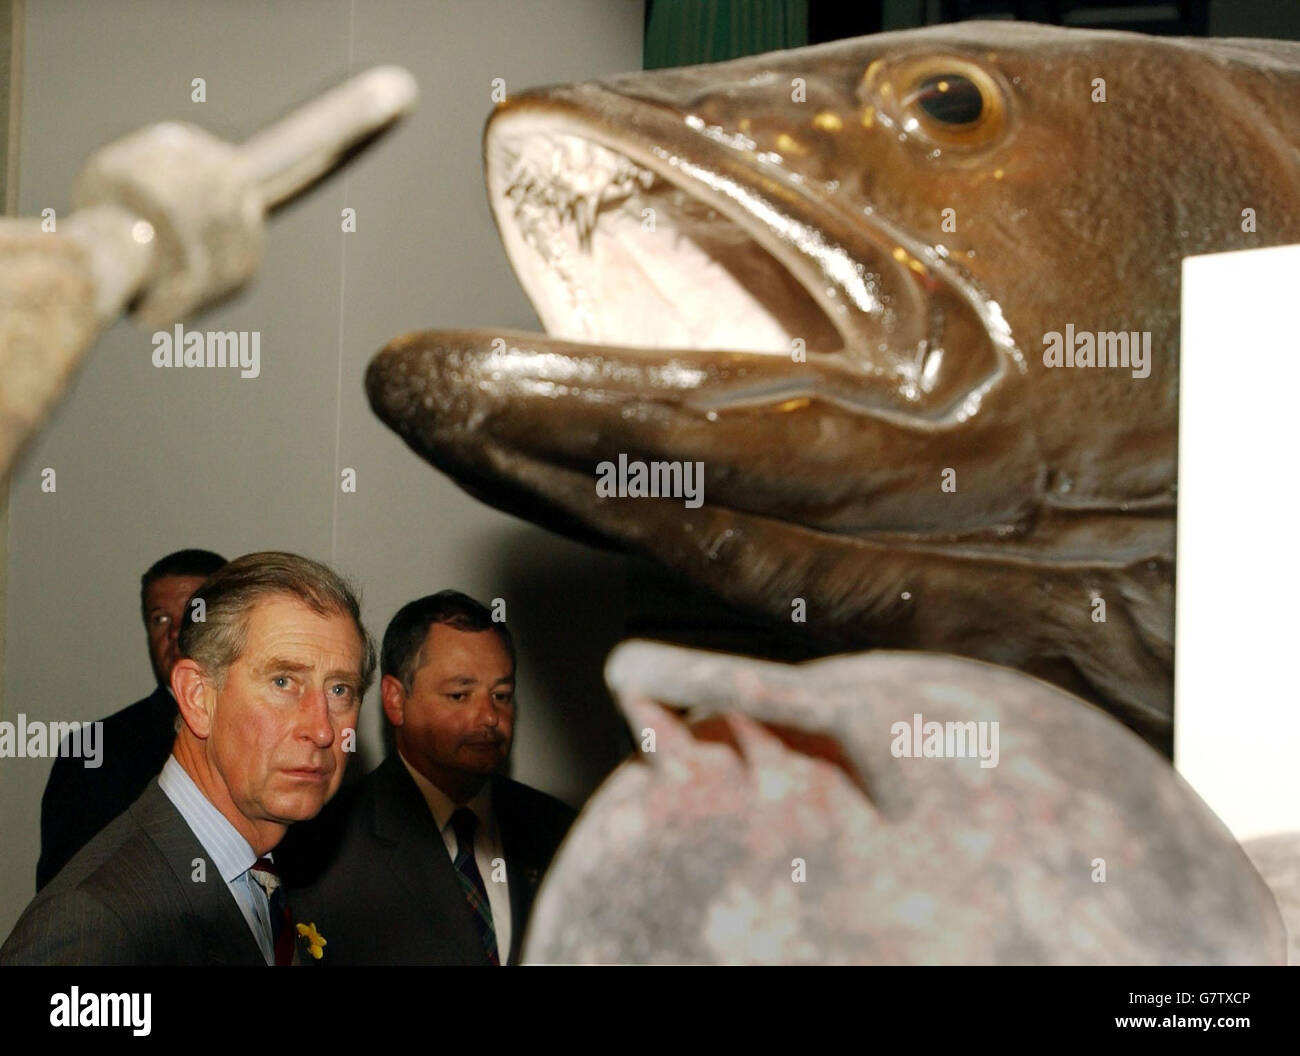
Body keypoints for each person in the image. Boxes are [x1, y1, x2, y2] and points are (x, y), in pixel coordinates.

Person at [0, 552, 375, 966]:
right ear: (198, 698)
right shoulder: (95, 921)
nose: (322, 729)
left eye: (340, 690)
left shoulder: (271, 872)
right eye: (283, 681)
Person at [280, 590, 576, 964]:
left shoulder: (560, 832)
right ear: (395, 700)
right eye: (459, 695)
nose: (489, 717)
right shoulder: (323, 848)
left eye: (501, 695)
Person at [35, 548, 227, 889]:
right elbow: (67, 902)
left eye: (194, 614)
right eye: (160, 619)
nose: (175, 634)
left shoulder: (278, 736)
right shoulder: (93, 753)